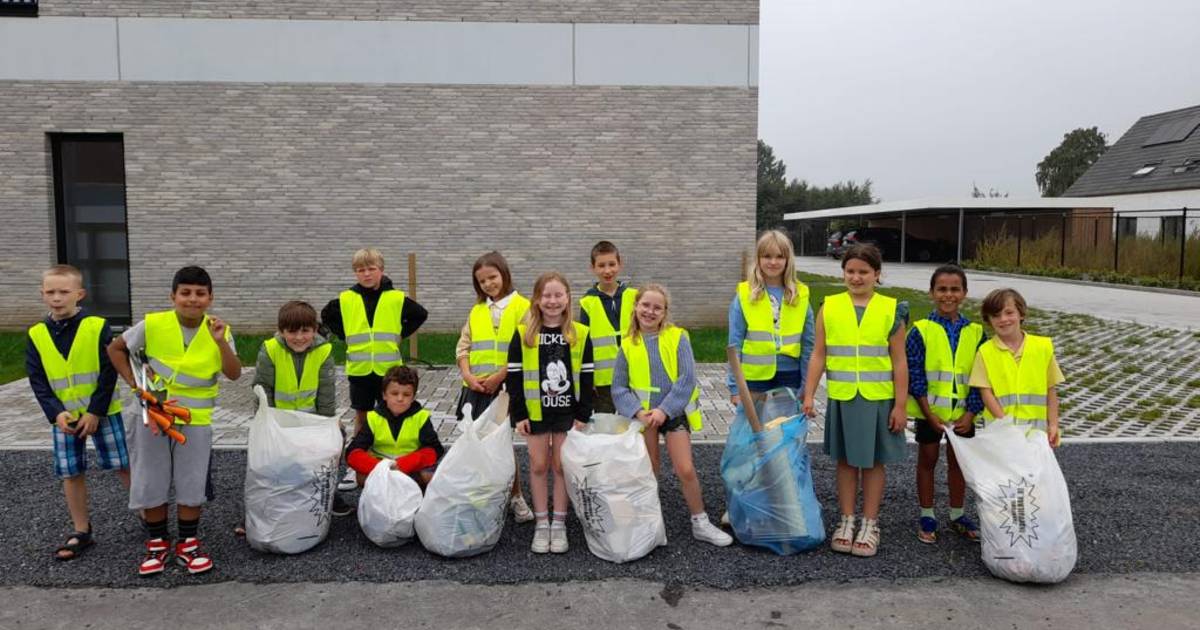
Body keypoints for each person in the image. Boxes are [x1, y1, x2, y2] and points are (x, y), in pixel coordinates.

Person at [109, 265, 241, 576]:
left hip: (194, 417)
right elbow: (115, 349)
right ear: (173, 296)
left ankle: (188, 544)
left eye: (200, 293)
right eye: (186, 293)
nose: (192, 299)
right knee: (150, 477)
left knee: (191, 480)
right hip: (153, 416)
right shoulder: (152, 324)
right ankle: (157, 544)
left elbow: (234, 373)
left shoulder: (219, 330)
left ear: (210, 298)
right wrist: (135, 385)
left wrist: (220, 342)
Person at [802, 244, 908, 558]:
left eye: (864, 272)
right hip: (844, 397)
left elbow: (899, 361)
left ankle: (870, 523)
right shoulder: (829, 307)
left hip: (878, 399)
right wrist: (809, 394)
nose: (856, 277)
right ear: (843, 273)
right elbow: (818, 354)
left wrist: (900, 405)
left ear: (877, 274)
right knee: (846, 461)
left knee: (874, 462)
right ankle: (847, 520)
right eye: (850, 271)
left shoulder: (891, 309)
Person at [611, 284, 732, 547]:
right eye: (645, 305)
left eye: (657, 308)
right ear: (636, 306)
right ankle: (648, 523)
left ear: (665, 312)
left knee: (685, 468)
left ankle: (700, 521)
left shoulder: (678, 337)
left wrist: (664, 410)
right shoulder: (627, 344)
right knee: (648, 471)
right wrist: (638, 411)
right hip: (643, 418)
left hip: (673, 414)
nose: (650, 311)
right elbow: (619, 387)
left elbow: (686, 379)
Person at [26, 264, 130, 561]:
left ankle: (149, 518)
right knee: (71, 472)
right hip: (65, 418)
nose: (57, 297)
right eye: (50, 292)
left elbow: (109, 371)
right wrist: (55, 413)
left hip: (103, 413)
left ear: (79, 294)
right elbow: (37, 379)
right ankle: (81, 529)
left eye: (64, 291)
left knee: (123, 465)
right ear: (42, 294)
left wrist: (95, 411)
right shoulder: (36, 334)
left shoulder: (97, 326)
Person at [321, 247, 427, 491]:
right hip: (360, 369)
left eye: (371, 269)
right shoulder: (346, 299)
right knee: (362, 416)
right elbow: (327, 316)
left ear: (381, 270)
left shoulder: (396, 297)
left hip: (389, 372)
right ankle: (357, 466)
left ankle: (394, 460)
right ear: (355, 273)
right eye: (360, 270)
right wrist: (344, 334)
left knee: (391, 415)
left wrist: (400, 334)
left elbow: (420, 314)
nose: (366, 274)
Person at [506, 272, 594, 554]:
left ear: (568, 298)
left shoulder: (580, 333)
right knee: (538, 465)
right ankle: (542, 522)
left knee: (561, 466)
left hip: (568, 414)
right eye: (546, 295)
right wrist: (519, 414)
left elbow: (587, 377)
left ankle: (559, 523)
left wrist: (583, 414)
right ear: (536, 299)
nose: (552, 301)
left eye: (558, 295)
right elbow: (514, 377)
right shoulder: (524, 333)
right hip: (536, 413)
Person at [252, 300, 352, 519]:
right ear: (281, 331)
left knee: (338, 437)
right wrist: (266, 424)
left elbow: (326, 394)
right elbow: (262, 389)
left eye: (305, 331)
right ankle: (266, 503)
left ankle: (326, 492)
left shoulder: (323, 351)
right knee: (273, 464)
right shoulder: (270, 350)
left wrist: (329, 425)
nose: (299, 337)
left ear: (315, 330)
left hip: (310, 420)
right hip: (280, 422)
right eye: (292, 331)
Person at [454, 251, 534, 523]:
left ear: (504, 274)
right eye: (482, 281)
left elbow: (528, 348)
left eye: (492, 277)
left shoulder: (523, 307)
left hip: (505, 390)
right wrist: (468, 376)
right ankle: (484, 496)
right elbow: (463, 346)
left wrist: (500, 376)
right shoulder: (476, 310)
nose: (488, 284)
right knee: (477, 444)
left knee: (502, 445)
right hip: (476, 389)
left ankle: (516, 496)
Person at [906, 265, 983, 544]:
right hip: (931, 413)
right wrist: (928, 413)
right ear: (931, 292)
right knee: (927, 460)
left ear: (964, 293)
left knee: (958, 463)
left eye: (954, 289)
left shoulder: (976, 332)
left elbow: (981, 378)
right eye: (941, 289)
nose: (948, 295)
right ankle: (927, 514)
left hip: (963, 414)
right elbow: (915, 375)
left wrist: (971, 412)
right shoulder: (920, 331)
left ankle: (957, 514)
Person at [727, 229, 814, 405]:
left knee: (785, 424)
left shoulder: (800, 295)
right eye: (767, 256)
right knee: (751, 423)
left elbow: (809, 345)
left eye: (780, 256)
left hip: (790, 377)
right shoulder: (745, 294)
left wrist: (807, 386)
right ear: (758, 259)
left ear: (788, 260)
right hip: (753, 378)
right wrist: (735, 388)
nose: (773, 262)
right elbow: (734, 344)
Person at [970, 288, 1064, 447]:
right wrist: (1006, 426)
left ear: (1021, 314)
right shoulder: (985, 352)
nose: (1003, 319)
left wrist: (1053, 425)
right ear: (988, 320)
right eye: (996, 315)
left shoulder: (1042, 348)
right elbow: (986, 394)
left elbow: (1051, 390)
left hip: (1036, 434)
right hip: (1000, 434)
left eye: (1009, 313)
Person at [345, 366, 444, 487]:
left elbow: (435, 449)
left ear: (413, 397)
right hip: (381, 467)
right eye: (394, 393)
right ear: (384, 395)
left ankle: (402, 488)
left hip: (410, 467)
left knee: (429, 476)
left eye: (406, 394)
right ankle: (394, 486)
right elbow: (353, 452)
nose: (400, 399)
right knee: (360, 477)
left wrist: (404, 464)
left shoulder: (421, 417)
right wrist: (380, 467)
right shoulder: (373, 417)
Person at [579, 240, 637, 414]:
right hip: (603, 380)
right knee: (605, 424)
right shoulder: (587, 302)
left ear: (620, 264)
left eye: (612, 264)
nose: (607, 270)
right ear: (593, 268)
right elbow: (584, 344)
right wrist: (588, 378)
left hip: (633, 374)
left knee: (633, 422)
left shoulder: (634, 296)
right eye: (601, 265)